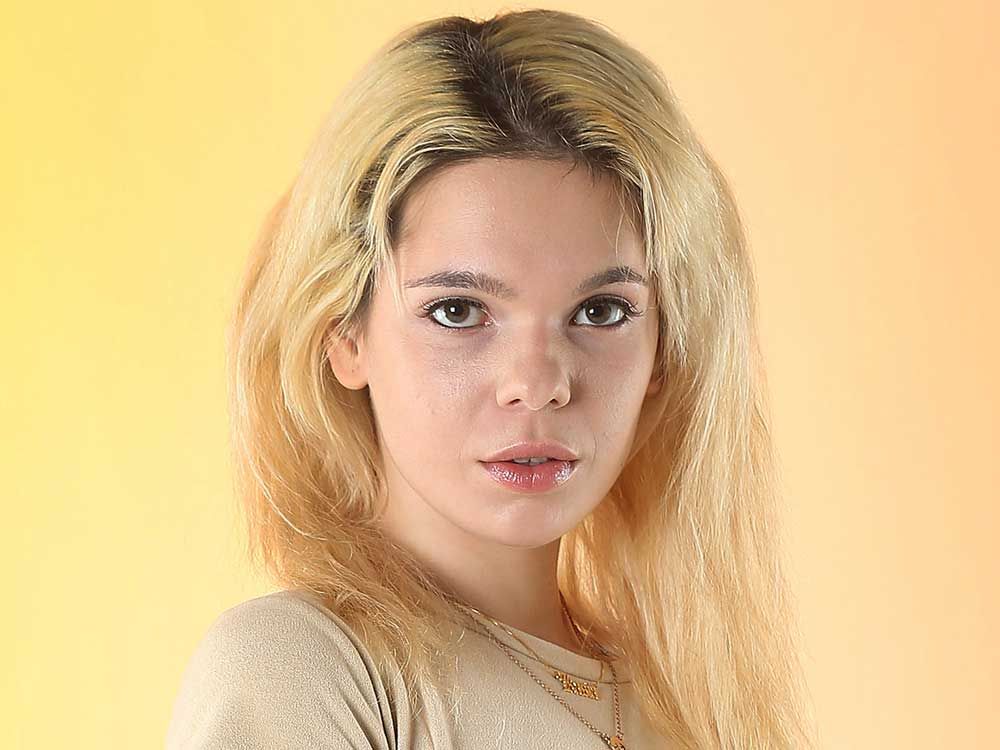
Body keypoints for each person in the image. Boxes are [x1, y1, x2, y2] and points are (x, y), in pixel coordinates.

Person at [165, 8, 816, 749]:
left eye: (600, 311)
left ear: (666, 348)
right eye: (458, 311)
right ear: (343, 333)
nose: (537, 384)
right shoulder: (300, 669)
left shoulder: (691, 701)